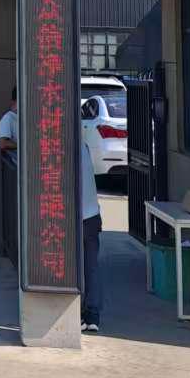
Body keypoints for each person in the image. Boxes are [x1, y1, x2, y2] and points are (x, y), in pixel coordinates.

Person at [80, 128, 104, 334]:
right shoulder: (84, 147)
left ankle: (78, 314)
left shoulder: (60, 152)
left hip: (73, 218)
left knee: (74, 268)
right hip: (92, 214)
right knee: (92, 267)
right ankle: (93, 316)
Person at [0, 87, 17, 160]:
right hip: (20, 161)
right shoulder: (8, 118)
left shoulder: (25, 117)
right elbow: (2, 143)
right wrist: (22, 146)